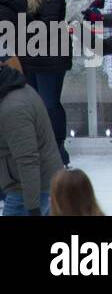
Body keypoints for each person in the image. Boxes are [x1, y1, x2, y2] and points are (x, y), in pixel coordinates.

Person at [13, 0, 75, 166]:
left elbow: (49, 23)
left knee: (49, 104)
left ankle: (59, 153)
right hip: (31, 54)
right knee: (36, 104)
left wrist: (20, 24)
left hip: (50, 55)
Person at [0, 63, 62, 215]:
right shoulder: (13, 88)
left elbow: (28, 160)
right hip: (31, 186)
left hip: (29, 190)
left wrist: (32, 208)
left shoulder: (13, 109)